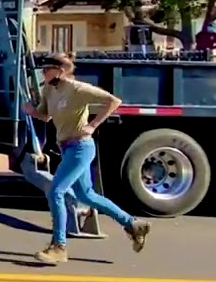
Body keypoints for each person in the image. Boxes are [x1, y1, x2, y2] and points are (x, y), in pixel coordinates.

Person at [21, 53, 151, 265]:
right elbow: (46, 116)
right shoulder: (49, 89)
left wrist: (92, 125)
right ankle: (132, 224)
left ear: (61, 70)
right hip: (66, 147)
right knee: (87, 194)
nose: (43, 72)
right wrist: (32, 111)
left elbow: (113, 101)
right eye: (43, 69)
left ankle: (59, 246)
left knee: (56, 190)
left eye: (47, 69)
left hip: (80, 147)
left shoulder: (78, 89)